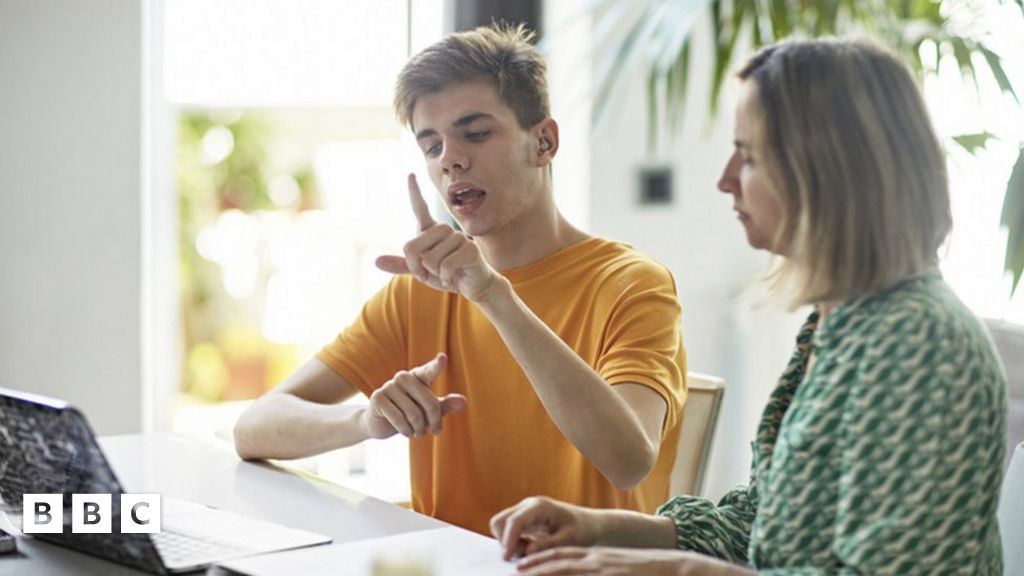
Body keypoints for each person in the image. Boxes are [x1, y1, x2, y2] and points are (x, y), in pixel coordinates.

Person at [491, 38, 1008, 574]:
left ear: (831, 172)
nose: (725, 179)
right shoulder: (839, 323)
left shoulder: (918, 345)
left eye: (752, 157)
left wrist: (682, 570)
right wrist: (602, 527)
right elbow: (765, 523)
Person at [232, 23, 687, 536]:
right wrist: (365, 422)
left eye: (475, 133)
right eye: (431, 146)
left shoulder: (632, 284)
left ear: (543, 141)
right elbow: (254, 427)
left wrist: (493, 295)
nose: (450, 159)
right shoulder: (417, 291)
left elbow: (628, 459)